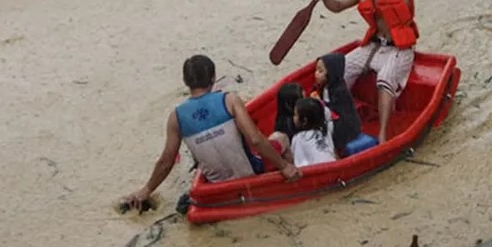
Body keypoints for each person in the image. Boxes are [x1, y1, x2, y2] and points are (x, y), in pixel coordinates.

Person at [122, 55, 300, 209]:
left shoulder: (175, 117)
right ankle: (292, 180)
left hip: (216, 185)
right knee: (281, 137)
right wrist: (284, 167)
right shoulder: (230, 100)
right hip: (250, 172)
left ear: (185, 81)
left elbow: (166, 162)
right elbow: (255, 139)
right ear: (213, 78)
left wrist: (146, 190)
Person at [314, 0, 417, 144]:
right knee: (338, 71)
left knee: (384, 80)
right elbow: (338, 6)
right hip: (374, 45)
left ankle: (383, 134)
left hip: (399, 48)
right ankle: (333, 121)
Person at [311, 52, 362, 156]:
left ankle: (333, 153)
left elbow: (336, 113)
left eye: (320, 71)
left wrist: (319, 103)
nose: (316, 74)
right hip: (331, 117)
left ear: (331, 73)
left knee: (324, 129)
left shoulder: (340, 91)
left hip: (344, 125)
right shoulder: (323, 87)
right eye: (316, 70)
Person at [290, 97, 337, 167]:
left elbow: (299, 164)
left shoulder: (298, 138)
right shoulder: (325, 131)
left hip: (316, 171)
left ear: (304, 120)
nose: (293, 117)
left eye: (295, 115)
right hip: (334, 167)